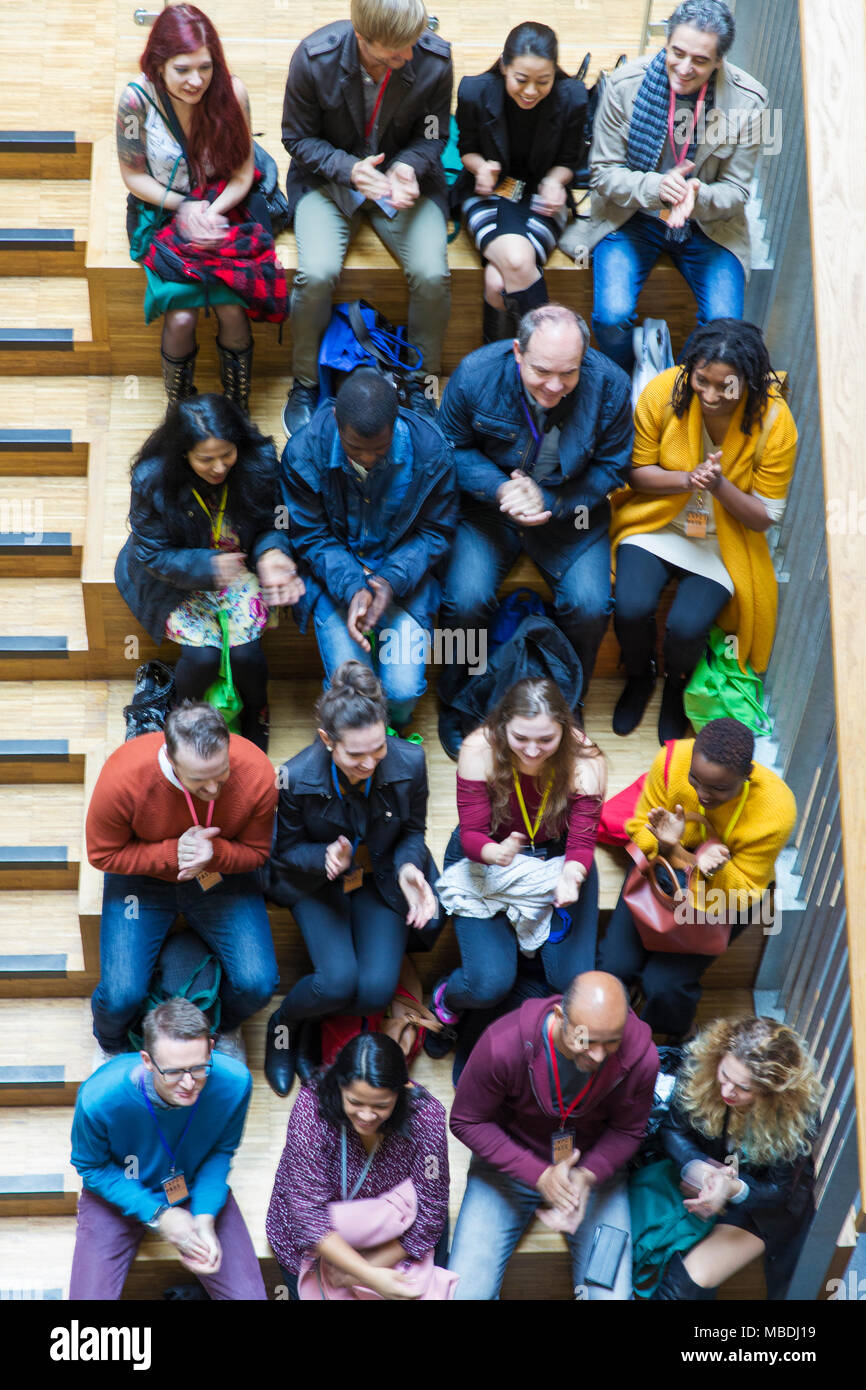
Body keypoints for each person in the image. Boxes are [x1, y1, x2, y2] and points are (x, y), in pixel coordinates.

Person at [436, 303, 633, 757]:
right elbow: (449, 448)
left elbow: (613, 467)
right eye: (542, 371)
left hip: (570, 512)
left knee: (590, 603)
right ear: (518, 352)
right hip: (489, 508)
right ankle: (456, 700)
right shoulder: (475, 374)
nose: (555, 386)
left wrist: (553, 502)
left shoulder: (611, 384)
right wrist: (501, 489)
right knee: (464, 600)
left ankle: (567, 702)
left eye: (569, 373)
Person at [609, 319, 797, 741]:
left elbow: (764, 516)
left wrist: (719, 486)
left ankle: (677, 687)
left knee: (687, 628)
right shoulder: (663, 390)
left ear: (748, 381)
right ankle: (640, 676)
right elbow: (637, 473)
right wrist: (686, 479)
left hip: (723, 541)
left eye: (725, 387)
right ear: (689, 369)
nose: (711, 396)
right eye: (701, 381)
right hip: (658, 521)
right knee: (631, 608)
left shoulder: (775, 421)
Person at [263, 663, 441, 1097]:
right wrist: (323, 856)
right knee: (337, 981)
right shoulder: (295, 777)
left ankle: (315, 1023)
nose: (369, 763)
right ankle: (286, 1025)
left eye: (378, 749)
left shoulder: (411, 761)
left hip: (379, 874)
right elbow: (282, 850)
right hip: (319, 881)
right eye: (355, 755)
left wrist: (408, 868)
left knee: (376, 992)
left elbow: (413, 832)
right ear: (327, 741)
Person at [565, 0, 768, 374]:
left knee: (724, 326)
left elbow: (737, 192)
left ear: (719, 61)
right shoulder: (624, 85)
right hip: (633, 217)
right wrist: (659, 188)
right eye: (677, 52)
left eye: (701, 60)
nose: (685, 68)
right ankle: (624, 380)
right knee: (611, 317)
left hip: (707, 227)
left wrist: (696, 195)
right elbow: (604, 174)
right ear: (666, 42)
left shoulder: (749, 102)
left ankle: (674, 385)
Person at [280, 0, 453, 434]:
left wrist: (410, 166)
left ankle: (419, 382)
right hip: (329, 179)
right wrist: (348, 169)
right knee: (316, 273)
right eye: (396, 52)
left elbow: (434, 134)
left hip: (402, 182)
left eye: (413, 45)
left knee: (432, 274)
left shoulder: (433, 58)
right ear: (362, 39)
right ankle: (304, 384)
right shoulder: (313, 58)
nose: (409, 57)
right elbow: (297, 137)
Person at [86, 703, 279, 1062]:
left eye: (220, 774)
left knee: (258, 983)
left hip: (219, 875)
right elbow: (102, 854)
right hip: (143, 880)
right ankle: (111, 1044)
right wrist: (173, 854)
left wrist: (215, 854)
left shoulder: (256, 772)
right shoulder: (124, 774)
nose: (213, 789)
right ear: (170, 760)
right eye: (199, 780)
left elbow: (256, 851)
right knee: (120, 996)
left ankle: (219, 1026)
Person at [448, 971, 658, 1299]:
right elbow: (466, 1121)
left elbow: (628, 1129)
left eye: (612, 1041)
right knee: (464, 1294)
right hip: (508, 1168)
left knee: (611, 1296)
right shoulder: (503, 1044)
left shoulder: (642, 1057)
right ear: (560, 1018)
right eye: (587, 1040)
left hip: (594, 1176)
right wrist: (539, 1174)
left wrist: (588, 1176)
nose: (599, 1055)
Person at [115, 394, 305, 752]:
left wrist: (271, 552)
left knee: (247, 656)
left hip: (238, 567)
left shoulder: (260, 462)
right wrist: (207, 566)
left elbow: (273, 522)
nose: (219, 467)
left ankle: (256, 713)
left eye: (226, 454)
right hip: (176, 578)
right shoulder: (152, 479)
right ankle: (185, 718)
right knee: (201, 658)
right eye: (206, 459)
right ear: (183, 454)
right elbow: (152, 553)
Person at [116, 4, 282, 405]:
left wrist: (211, 211)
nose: (196, 81)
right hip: (161, 209)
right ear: (159, 64)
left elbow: (243, 175)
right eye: (183, 69)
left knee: (232, 310)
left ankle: (237, 406)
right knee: (181, 315)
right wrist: (182, 207)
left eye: (205, 67)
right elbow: (133, 176)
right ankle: (180, 410)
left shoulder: (232, 93)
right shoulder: (135, 103)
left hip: (222, 203)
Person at [427, 678, 605, 1050]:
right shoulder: (479, 749)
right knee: (487, 983)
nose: (533, 750)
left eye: (546, 739)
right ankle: (448, 997)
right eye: (521, 738)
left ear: (565, 731)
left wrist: (573, 876)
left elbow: (582, 841)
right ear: (503, 724)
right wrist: (497, 853)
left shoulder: (586, 761)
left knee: (571, 981)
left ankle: (527, 1011)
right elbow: (473, 833)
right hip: (488, 855)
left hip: (557, 858)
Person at [281, 369, 457, 733]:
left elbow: (436, 532)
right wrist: (352, 587)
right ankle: (354, 742)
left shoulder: (432, 452)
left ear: (398, 421)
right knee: (351, 692)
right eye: (354, 447)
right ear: (334, 419)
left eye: (379, 448)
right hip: (335, 579)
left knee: (403, 692)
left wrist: (389, 581)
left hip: (405, 577)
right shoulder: (303, 452)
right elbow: (310, 535)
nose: (368, 458)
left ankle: (392, 733)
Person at [599, 717, 797, 1039]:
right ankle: (620, 1015)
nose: (703, 794)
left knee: (665, 985)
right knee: (614, 965)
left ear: (747, 776)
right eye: (695, 779)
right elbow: (639, 832)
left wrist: (708, 869)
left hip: (726, 891)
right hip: (665, 871)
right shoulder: (671, 760)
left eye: (719, 788)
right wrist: (671, 847)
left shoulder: (776, 810)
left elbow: (745, 894)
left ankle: (675, 1036)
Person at [69, 999, 266, 1299]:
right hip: (119, 1192)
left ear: (211, 1048)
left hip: (194, 1186)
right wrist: (160, 1215)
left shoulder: (235, 1084)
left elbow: (220, 1152)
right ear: (147, 1061)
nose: (189, 1083)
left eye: (199, 1068)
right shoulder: (99, 1097)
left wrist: (204, 1216)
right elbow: (91, 1167)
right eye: (173, 1072)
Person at [633, 1016, 822, 1300]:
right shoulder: (701, 1067)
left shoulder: (796, 1117)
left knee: (681, 1287)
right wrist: (698, 1169)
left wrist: (732, 1188)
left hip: (759, 1205)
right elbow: (674, 1130)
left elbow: (779, 1192)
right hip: (700, 1172)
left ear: (774, 1091)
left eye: (744, 1088)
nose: (727, 1091)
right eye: (725, 1075)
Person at [266, 1032, 452, 1299]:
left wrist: (364, 1271)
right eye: (354, 1102)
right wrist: (370, 1276)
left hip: (392, 1234)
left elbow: (432, 1206)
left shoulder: (426, 1116)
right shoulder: (311, 1106)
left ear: (401, 1094)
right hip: (319, 1242)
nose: (366, 1116)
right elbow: (307, 1215)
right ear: (339, 1086)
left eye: (381, 1105)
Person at [453, 22, 588, 342]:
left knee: (497, 283)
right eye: (521, 80)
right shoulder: (475, 91)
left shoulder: (573, 96)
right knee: (515, 259)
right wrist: (481, 166)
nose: (531, 91)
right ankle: (553, 351)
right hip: (489, 191)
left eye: (543, 81)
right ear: (504, 66)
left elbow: (569, 162)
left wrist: (556, 181)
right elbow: (466, 150)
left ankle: (507, 371)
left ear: (555, 72)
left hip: (543, 193)